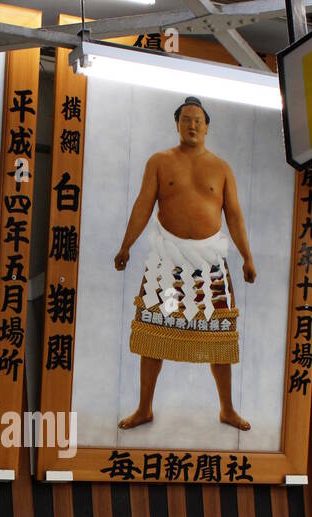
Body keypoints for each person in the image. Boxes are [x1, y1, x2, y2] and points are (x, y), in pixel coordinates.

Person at [113, 96, 257, 431]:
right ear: (177, 124)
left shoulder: (222, 168)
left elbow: (234, 217)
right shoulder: (159, 162)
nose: (192, 125)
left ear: (207, 127)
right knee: (153, 334)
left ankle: (227, 409)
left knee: (220, 338)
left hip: (211, 261)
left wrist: (247, 256)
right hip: (167, 258)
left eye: (198, 120)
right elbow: (143, 206)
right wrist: (126, 246)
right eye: (186, 119)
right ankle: (144, 408)